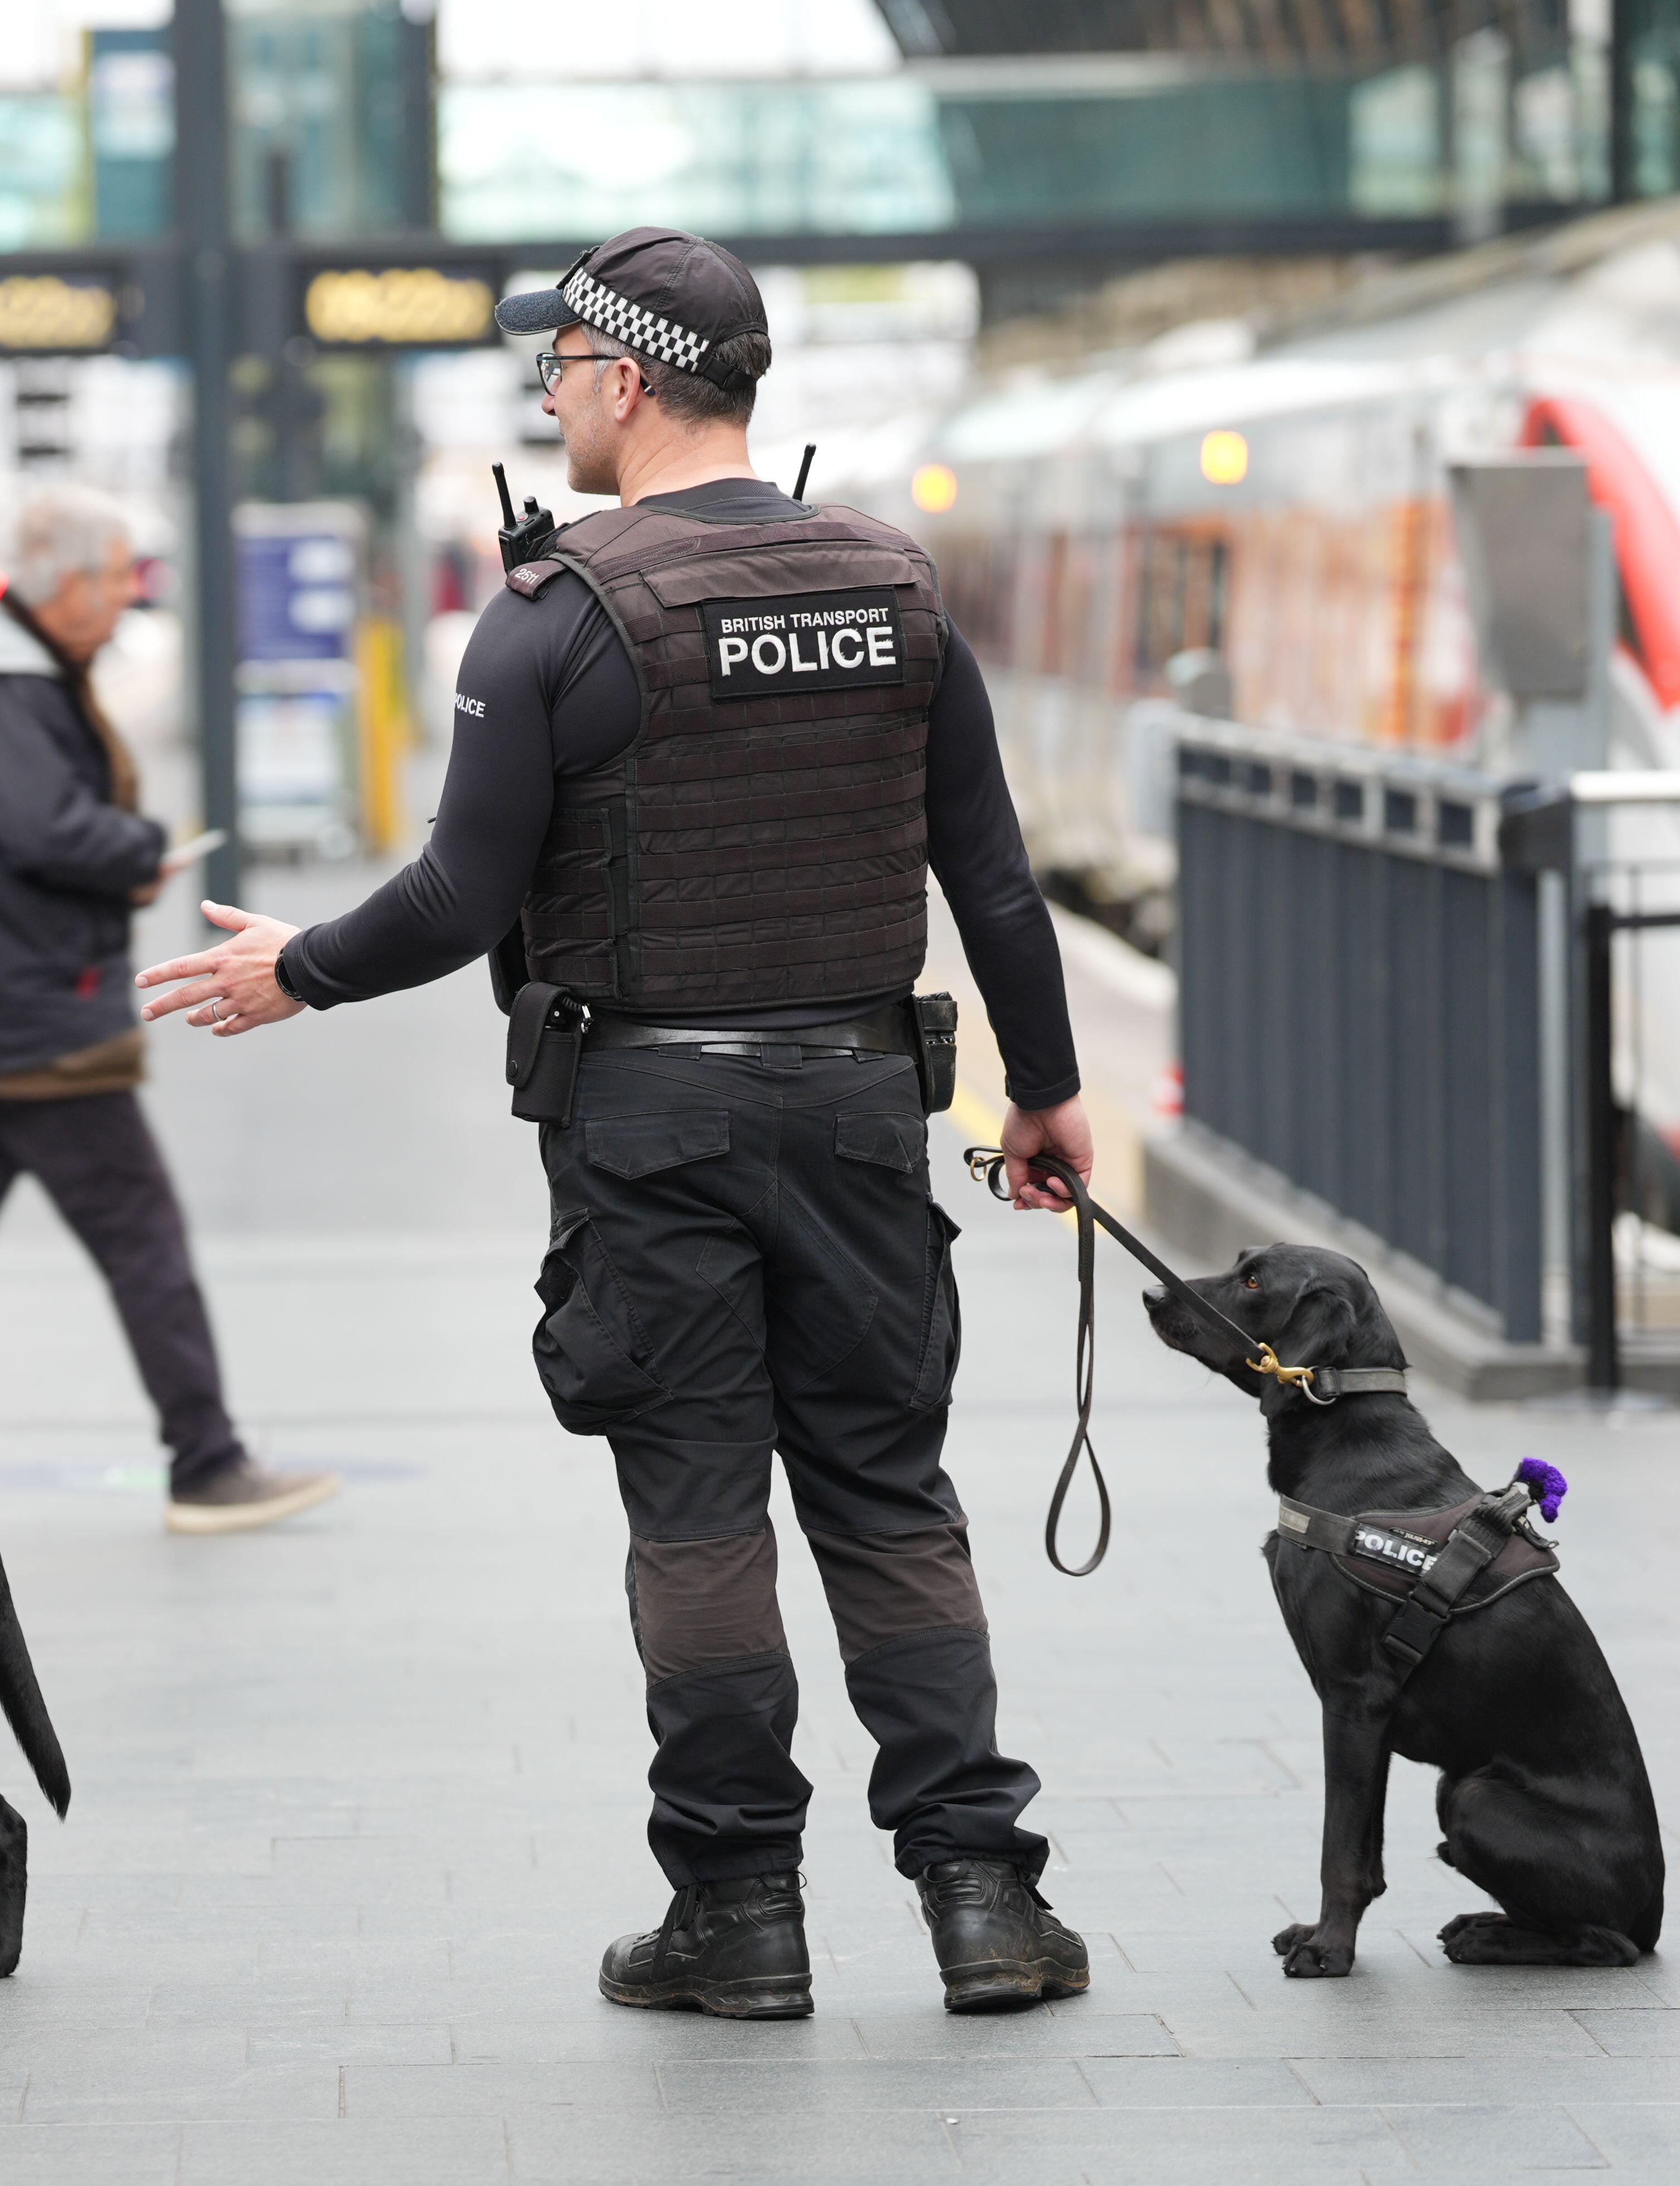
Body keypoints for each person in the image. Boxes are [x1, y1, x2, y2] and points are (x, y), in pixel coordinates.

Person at [136, 230, 1099, 2019]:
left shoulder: (559, 614)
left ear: (630, 380)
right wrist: (1040, 1090)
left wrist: (304, 973)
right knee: (890, 1498)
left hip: (653, 1124)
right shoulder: (894, 583)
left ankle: (738, 1919)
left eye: (560, 368)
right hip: (863, 1106)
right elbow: (994, 874)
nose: (551, 398)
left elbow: (456, 894)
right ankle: (983, 1904)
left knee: (700, 1516)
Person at [0, 486, 338, 1536]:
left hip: (12, 1007)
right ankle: (206, 1462)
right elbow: (43, 827)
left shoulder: (11, 670)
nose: (123, 598)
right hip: (36, 1020)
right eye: (111, 580)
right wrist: (142, 850)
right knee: (142, 1240)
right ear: (58, 587)